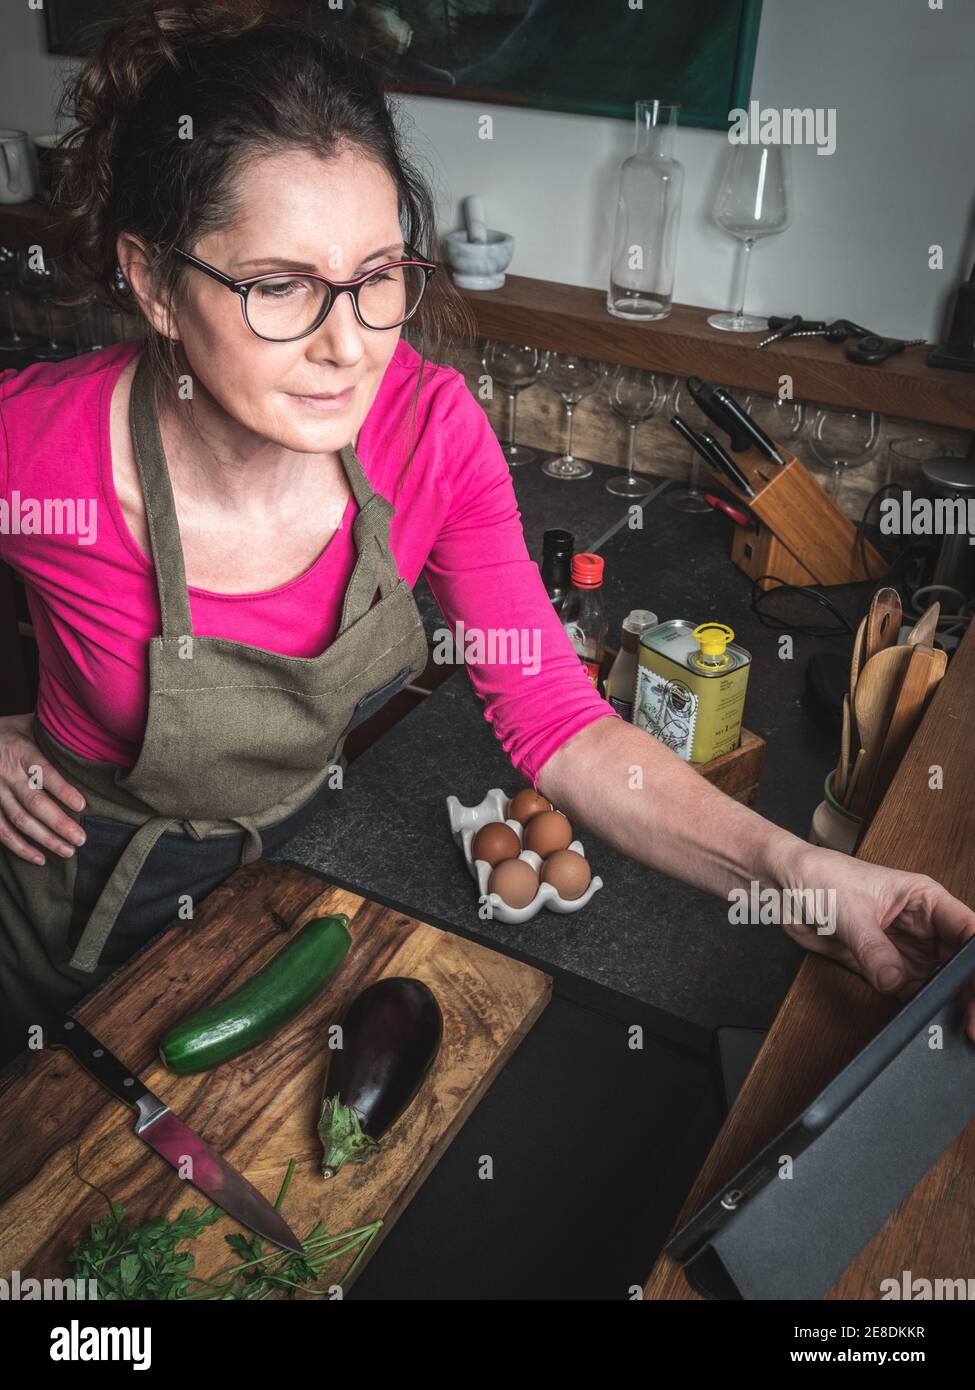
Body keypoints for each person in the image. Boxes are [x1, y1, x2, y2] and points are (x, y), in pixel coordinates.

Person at [0, 2, 972, 1069]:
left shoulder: (430, 432)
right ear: (152, 283)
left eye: (376, 278)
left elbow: (559, 720)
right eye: (279, 286)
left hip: (281, 878)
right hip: (77, 896)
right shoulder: (45, 447)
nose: (349, 347)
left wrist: (798, 873)